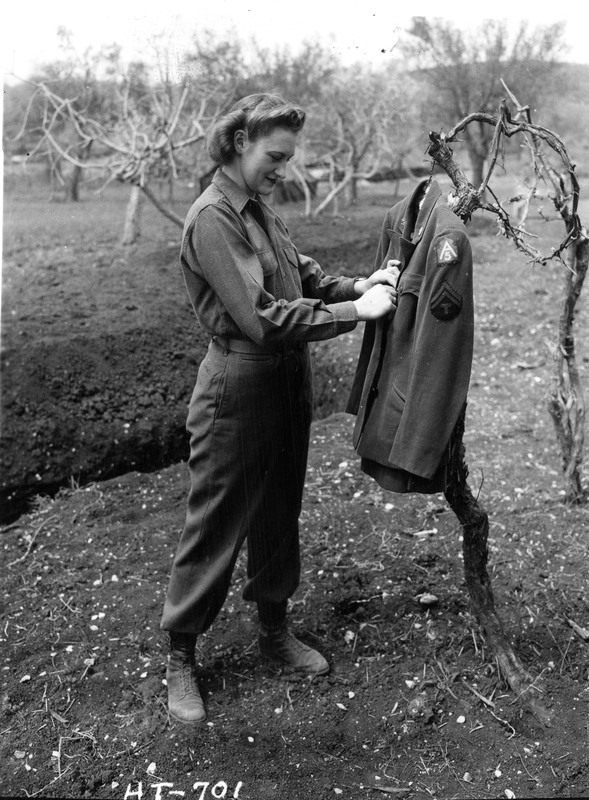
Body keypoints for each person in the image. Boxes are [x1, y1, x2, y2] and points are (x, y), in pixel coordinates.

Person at [160, 93, 399, 725]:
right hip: (238, 386)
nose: (282, 169)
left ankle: (273, 631)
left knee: (277, 512)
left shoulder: (260, 208)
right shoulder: (214, 218)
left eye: (288, 158)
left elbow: (302, 278)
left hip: (287, 382)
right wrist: (353, 315)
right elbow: (262, 317)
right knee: (216, 521)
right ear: (239, 142)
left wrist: (358, 286)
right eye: (275, 155)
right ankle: (181, 655)